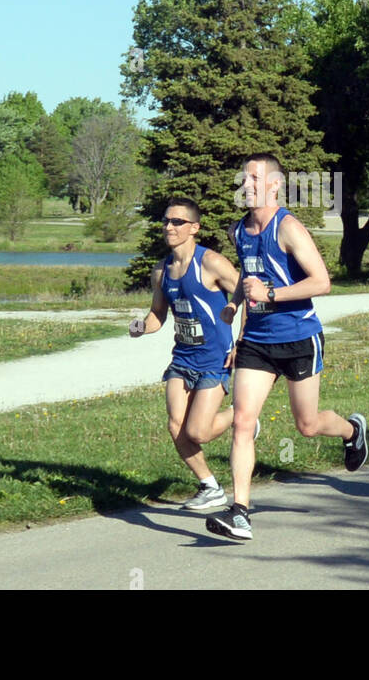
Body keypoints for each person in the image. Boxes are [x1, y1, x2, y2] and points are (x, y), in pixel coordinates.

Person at [205, 154, 368, 541]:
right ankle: (240, 510)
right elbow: (250, 272)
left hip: (298, 337)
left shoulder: (289, 227)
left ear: (275, 186)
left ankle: (351, 431)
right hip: (257, 342)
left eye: (254, 180)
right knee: (243, 421)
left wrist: (271, 294)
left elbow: (322, 282)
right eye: (243, 179)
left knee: (307, 425)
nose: (246, 186)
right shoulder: (239, 230)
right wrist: (237, 308)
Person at [129, 197, 253, 510]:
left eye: (177, 222)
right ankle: (209, 486)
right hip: (183, 359)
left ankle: (246, 421)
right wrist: (141, 326)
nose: (169, 227)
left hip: (215, 358)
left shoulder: (210, 262)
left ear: (194, 228)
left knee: (198, 431)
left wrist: (242, 341)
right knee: (176, 427)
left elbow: (248, 295)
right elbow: (158, 314)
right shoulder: (162, 270)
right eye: (166, 221)